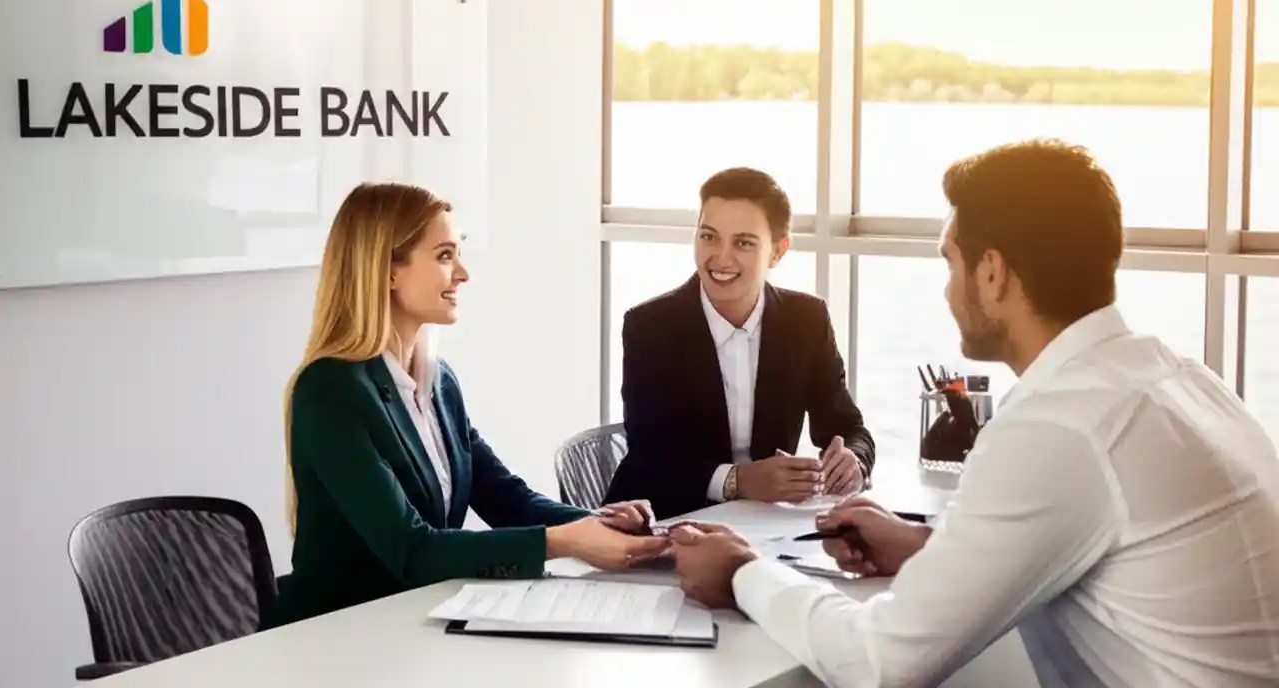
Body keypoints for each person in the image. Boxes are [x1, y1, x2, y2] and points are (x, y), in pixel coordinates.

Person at [667, 141, 1279, 687]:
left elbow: (880, 665)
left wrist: (744, 573)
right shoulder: (1180, 380)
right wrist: (926, 546)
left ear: (992, 274)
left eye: (950, 262)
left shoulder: (1058, 427)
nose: (947, 288)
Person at [261, 182, 668, 629]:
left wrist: (605, 526)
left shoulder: (438, 381)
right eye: (444, 256)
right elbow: (413, 550)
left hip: (416, 622)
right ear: (388, 271)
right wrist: (567, 541)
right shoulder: (330, 390)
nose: (463, 273)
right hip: (338, 637)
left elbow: (507, 499)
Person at [604, 167, 875, 520]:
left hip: (765, 524)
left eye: (743, 242)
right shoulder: (650, 327)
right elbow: (651, 458)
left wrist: (853, 461)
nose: (721, 258)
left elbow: (849, 427)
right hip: (662, 519)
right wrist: (737, 481)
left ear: (778, 251)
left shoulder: (806, 320)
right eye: (709, 237)